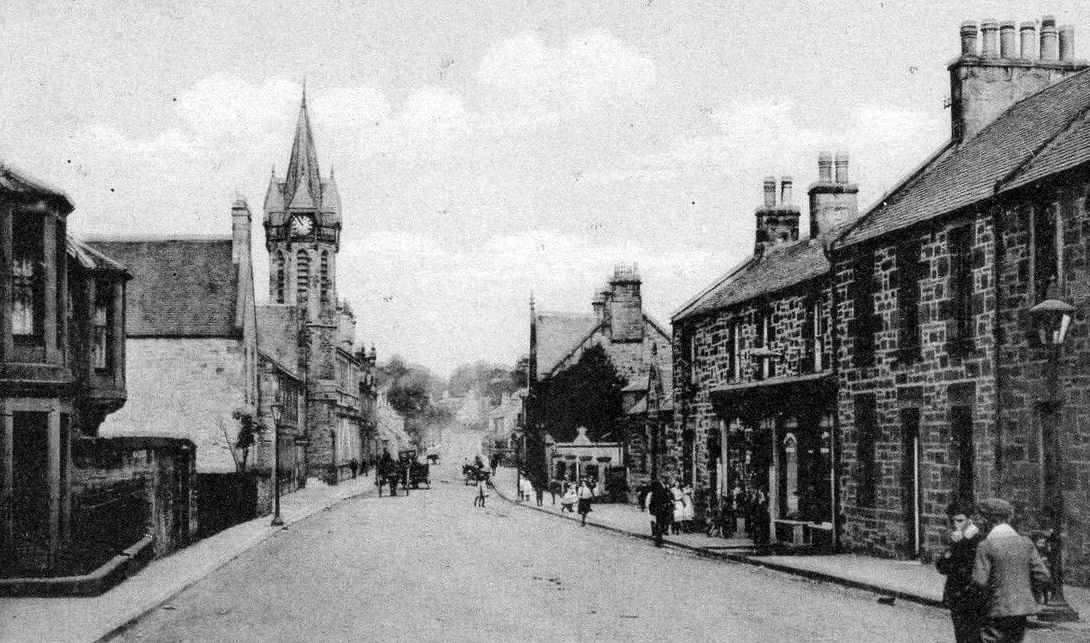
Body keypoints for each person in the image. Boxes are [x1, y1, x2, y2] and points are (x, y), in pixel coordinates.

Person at [971, 498, 1051, 643]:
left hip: (996, 609)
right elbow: (1043, 575)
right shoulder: (1026, 542)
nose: (978, 523)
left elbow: (979, 581)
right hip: (1021, 610)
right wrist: (1030, 596)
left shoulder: (985, 546)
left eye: (980, 519)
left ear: (987, 520)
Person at [936, 500, 986, 643]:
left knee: (973, 635)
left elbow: (970, 566)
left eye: (960, 520)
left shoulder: (978, 540)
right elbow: (941, 566)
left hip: (972, 595)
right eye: (952, 521)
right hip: (957, 596)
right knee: (961, 634)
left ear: (969, 520)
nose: (955, 524)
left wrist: (960, 543)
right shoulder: (955, 538)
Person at [646, 477, 674, 547]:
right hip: (659, 509)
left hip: (662, 509)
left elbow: (666, 496)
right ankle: (659, 541)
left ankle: (659, 540)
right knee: (659, 525)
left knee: (661, 525)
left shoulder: (663, 487)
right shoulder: (657, 486)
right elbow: (656, 498)